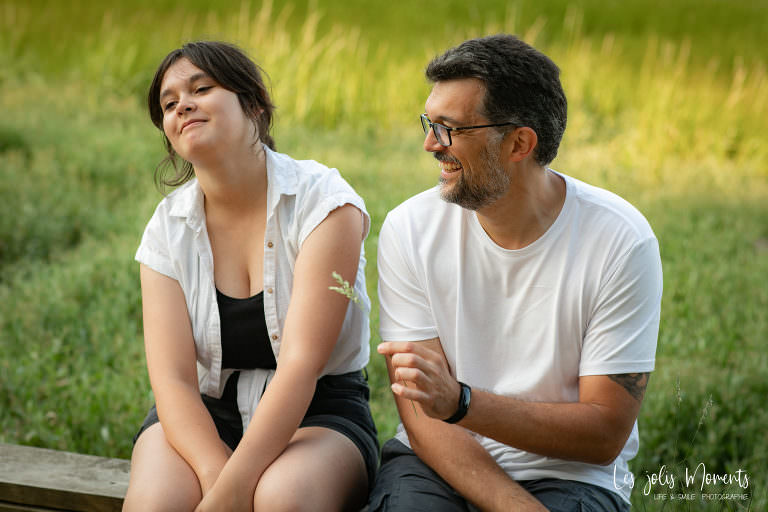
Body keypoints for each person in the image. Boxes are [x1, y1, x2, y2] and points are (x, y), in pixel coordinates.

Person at [368, 34, 662, 512]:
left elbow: (605, 433)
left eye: (449, 129)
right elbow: (424, 414)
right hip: (437, 457)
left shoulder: (620, 241)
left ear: (519, 143)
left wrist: (462, 402)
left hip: (570, 473)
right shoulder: (410, 228)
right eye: (429, 123)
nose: (429, 144)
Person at [122, 41, 378, 512]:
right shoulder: (167, 227)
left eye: (202, 88)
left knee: (283, 499)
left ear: (254, 103)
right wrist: (217, 478)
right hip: (204, 412)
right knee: (156, 503)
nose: (183, 105)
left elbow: (301, 364)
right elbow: (174, 380)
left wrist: (232, 493)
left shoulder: (324, 204)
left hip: (317, 412)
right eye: (169, 103)